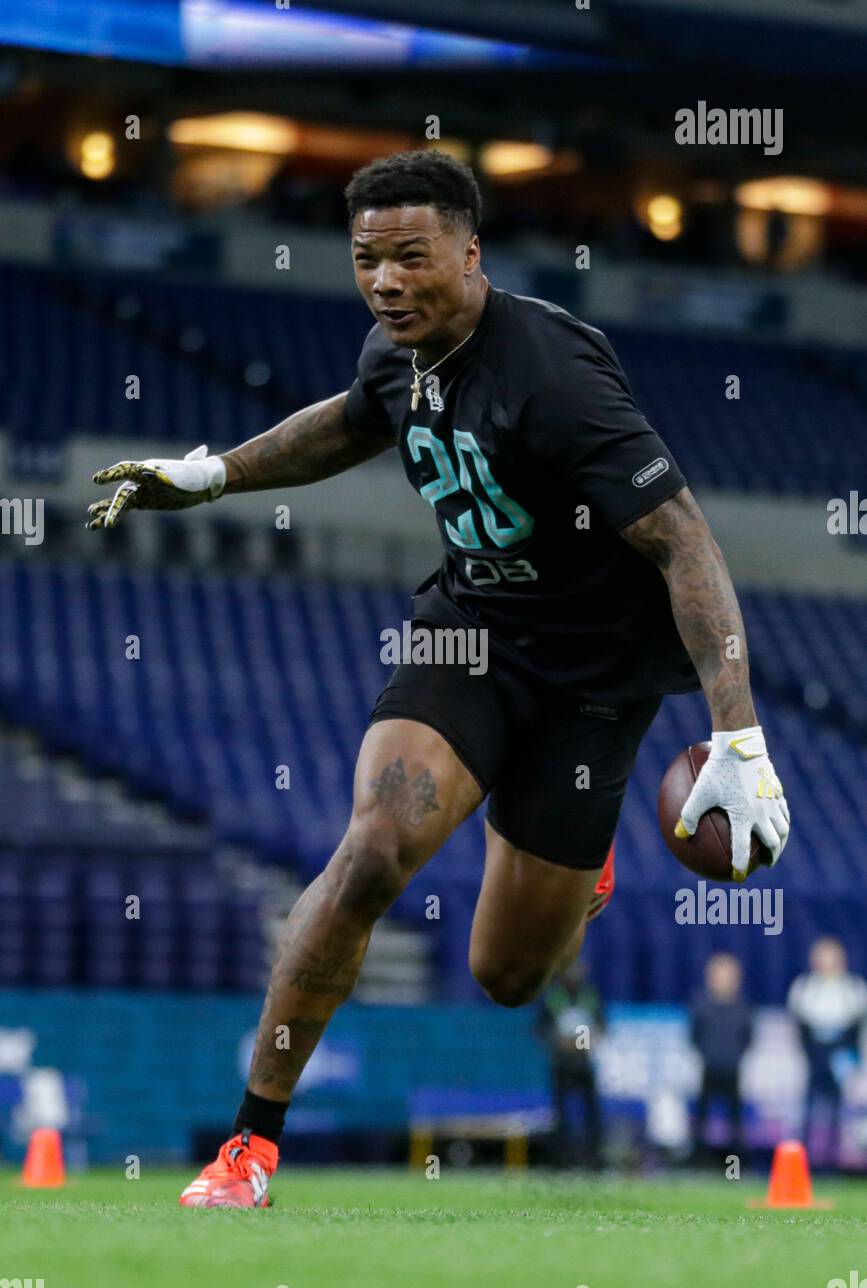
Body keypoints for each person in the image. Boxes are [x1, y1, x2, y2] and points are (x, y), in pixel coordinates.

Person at [86, 150, 791, 1208]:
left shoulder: (551, 371)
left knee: (508, 976)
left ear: (471, 253)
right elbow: (348, 417)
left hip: (594, 681)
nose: (386, 282)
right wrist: (215, 472)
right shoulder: (397, 350)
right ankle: (250, 1149)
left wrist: (738, 738)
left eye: (411, 257)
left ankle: (578, 881)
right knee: (371, 849)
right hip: (469, 637)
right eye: (368, 259)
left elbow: (684, 540)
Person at [787, 938, 867, 1163]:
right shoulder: (805, 987)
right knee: (810, 1107)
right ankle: (803, 1158)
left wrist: (851, 1057)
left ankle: (831, 1158)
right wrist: (810, 1053)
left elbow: (856, 1027)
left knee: (836, 1107)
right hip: (815, 1052)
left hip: (840, 1051)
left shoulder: (853, 987)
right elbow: (801, 1026)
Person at [536, 958, 606, 1168]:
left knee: (591, 1113)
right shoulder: (553, 997)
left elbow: (602, 1025)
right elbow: (541, 1029)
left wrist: (590, 1039)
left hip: (583, 1063)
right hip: (562, 1063)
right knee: (560, 1114)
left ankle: (593, 1157)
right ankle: (561, 1158)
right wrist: (560, 1042)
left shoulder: (589, 996)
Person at [690, 953, 753, 1160]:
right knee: (703, 1114)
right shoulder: (702, 1005)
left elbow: (747, 1037)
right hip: (709, 1067)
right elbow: (695, 1035)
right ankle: (699, 1157)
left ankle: (736, 1160)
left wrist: (735, 1055)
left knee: (735, 1118)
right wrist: (707, 1054)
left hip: (733, 1068)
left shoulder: (743, 1007)